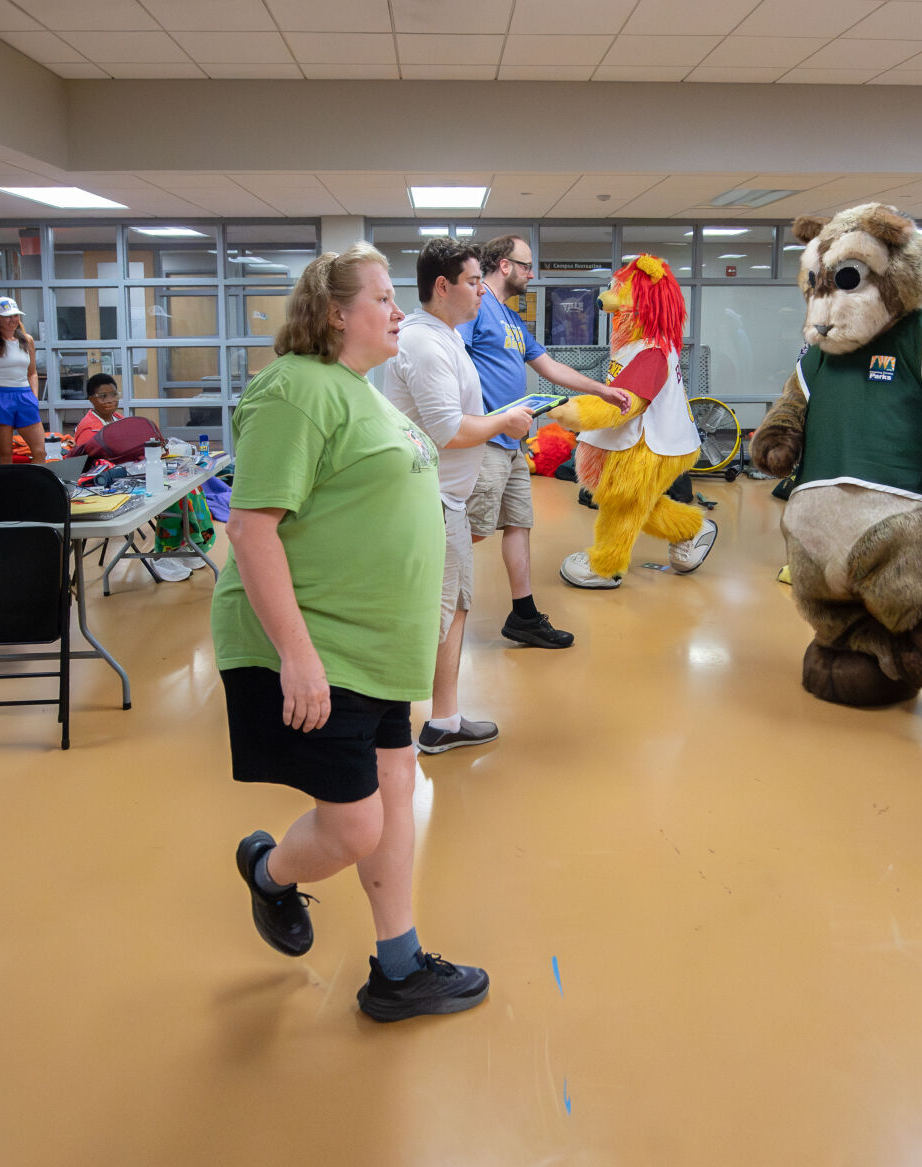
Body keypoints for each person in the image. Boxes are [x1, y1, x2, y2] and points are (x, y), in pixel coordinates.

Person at [212, 242, 488, 1023]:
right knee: (358, 823)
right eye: (382, 299)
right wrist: (298, 657)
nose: (398, 312)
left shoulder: (362, 391)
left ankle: (398, 969)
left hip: (375, 652)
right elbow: (252, 527)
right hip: (317, 648)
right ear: (336, 313)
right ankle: (268, 871)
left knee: (395, 793)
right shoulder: (295, 389)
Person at [380, 237, 534, 754]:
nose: (480, 292)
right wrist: (504, 422)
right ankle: (415, 727)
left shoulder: (444, 336)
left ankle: (442, 719)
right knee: (442, 609)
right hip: (430, 500)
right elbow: (447, 428)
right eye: (472, 282)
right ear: (442, 286)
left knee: (455, 605)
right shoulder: (423, 342)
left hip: (444, 499)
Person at [461, 233, 632, 648]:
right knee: (468, 533)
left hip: (513, 443)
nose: (531, 273)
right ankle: (425, 603)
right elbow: (454, 360)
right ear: (503, 265)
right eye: (525, 265)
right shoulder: (476, 305)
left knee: (519, 524)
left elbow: (550, 366)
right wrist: (476, 420)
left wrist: (601, 390)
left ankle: (524, 616)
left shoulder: (514, 320)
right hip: (484, 441)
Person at [73, 372, 215, 581]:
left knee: (190, 489)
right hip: (109, 484)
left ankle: (187, 545)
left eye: (113, 394)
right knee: (171, 498)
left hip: (133, 474)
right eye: (103, 396)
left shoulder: (118, 420)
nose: (111, 399)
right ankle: (163, 554)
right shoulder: (88, 428)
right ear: (91, 400)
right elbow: (94, 464)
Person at [0, 296, 45, 464]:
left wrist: (33, 397)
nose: (12, 320)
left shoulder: (27, 340)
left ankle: (34, 487)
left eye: (15, 315)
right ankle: (7, 489)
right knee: (5, 454)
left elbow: (32, 372)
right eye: (7, 316)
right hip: (0, 395)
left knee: (40, 451)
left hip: (24, 395)